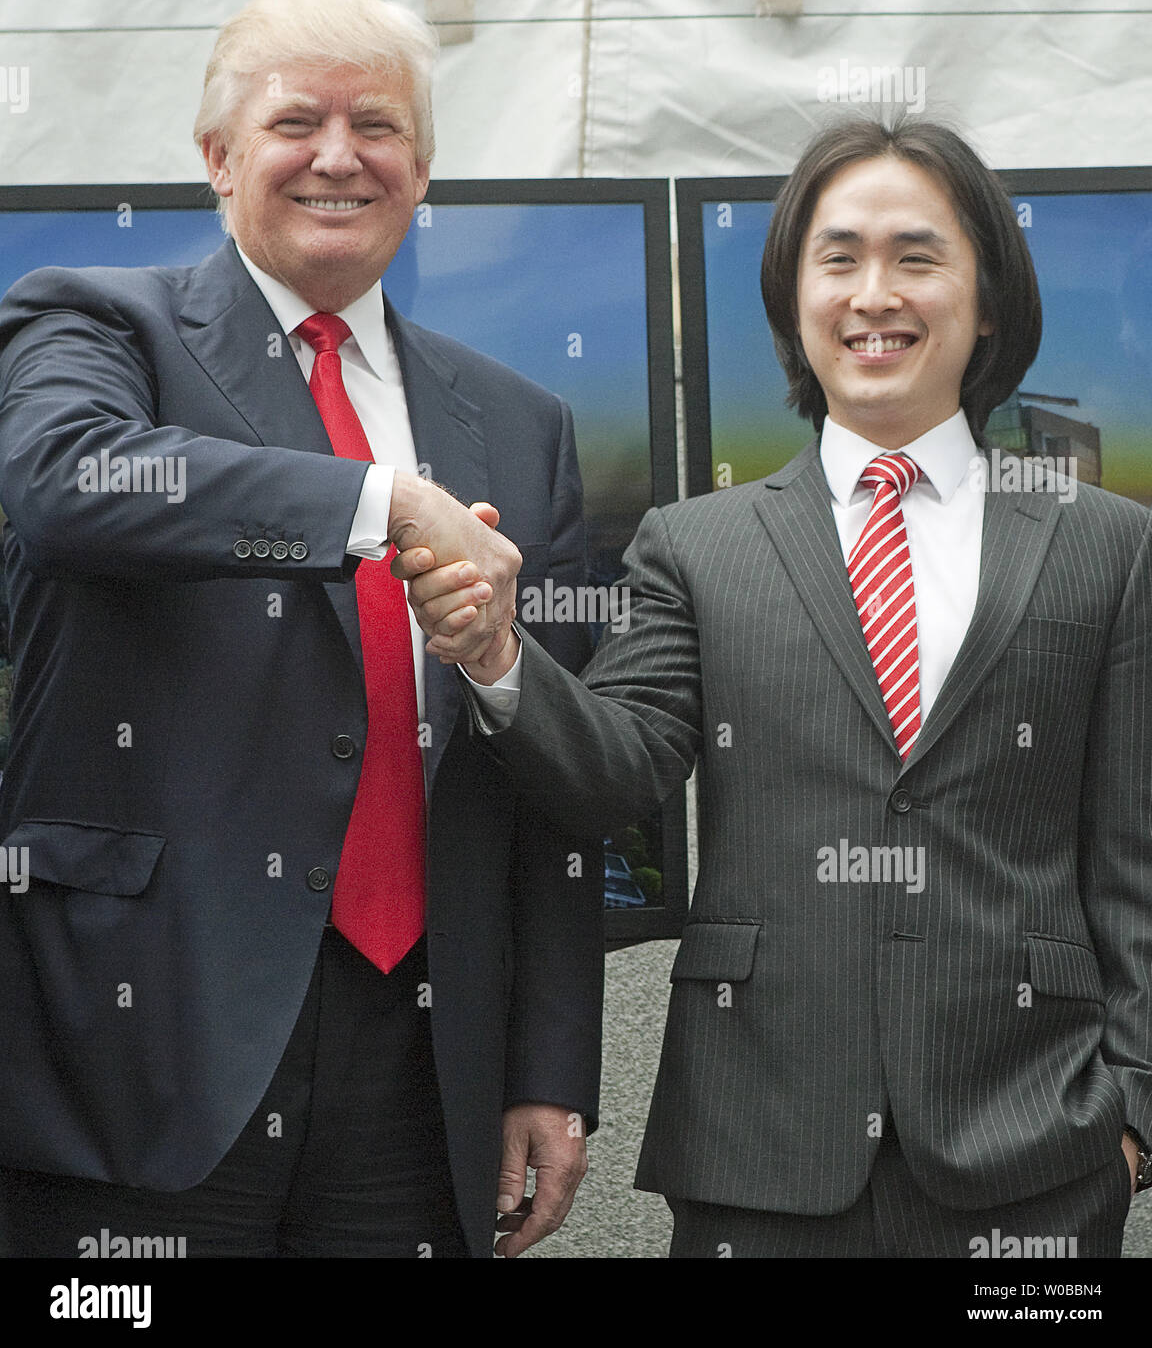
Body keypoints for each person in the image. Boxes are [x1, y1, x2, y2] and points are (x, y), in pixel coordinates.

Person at [402, 116, 1152, 1257]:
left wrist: (1136, 1116)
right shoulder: (696, 544)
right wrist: (498, 652)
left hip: (1035, 1153)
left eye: (917, 254)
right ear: (795, 302)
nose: (873, 292)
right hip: (760, 1149)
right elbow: (616, 773)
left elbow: (1134, 855)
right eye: (838, 257)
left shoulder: (1108, 545)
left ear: (989, 298)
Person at [0, 0, 602, 1259]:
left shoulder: (519, 420)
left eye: (376, 124)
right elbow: (73, 484)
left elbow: (545, 784)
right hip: (148, 1055)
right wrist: (386, 502)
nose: (339, 156)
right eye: (296, 122)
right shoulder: (96, 323)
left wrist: (546, 1065)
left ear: (422, 169)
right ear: (217, 159)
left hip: (420, 1062)